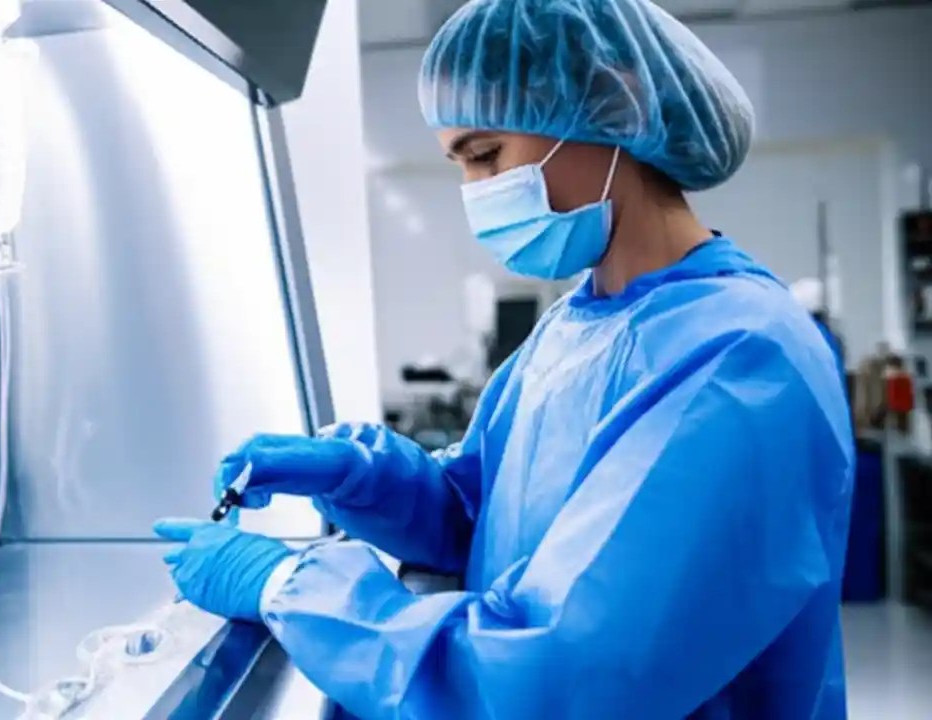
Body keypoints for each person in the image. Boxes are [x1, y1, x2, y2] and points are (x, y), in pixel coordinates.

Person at [154, 0, 854, 717]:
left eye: (487, 155)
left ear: (616, 102)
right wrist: (361, 479)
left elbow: (570, 673)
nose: (476, 193)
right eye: (458, 163)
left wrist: (286, 586)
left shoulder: (739, 358)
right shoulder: (573, 327)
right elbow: (487, 517)